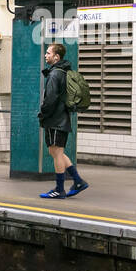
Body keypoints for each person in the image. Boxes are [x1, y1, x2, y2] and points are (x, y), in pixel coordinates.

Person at [38, 42, 88, 199]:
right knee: (55, 151)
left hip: (55, 120)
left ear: (56, 56)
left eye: (48, 53)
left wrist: (43, 114)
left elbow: (50, 99)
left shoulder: (55, 74)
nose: (46, 55)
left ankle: (60, 189)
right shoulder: (63, 72)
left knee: (57, 153)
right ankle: (78, 181)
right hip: (61, 118)